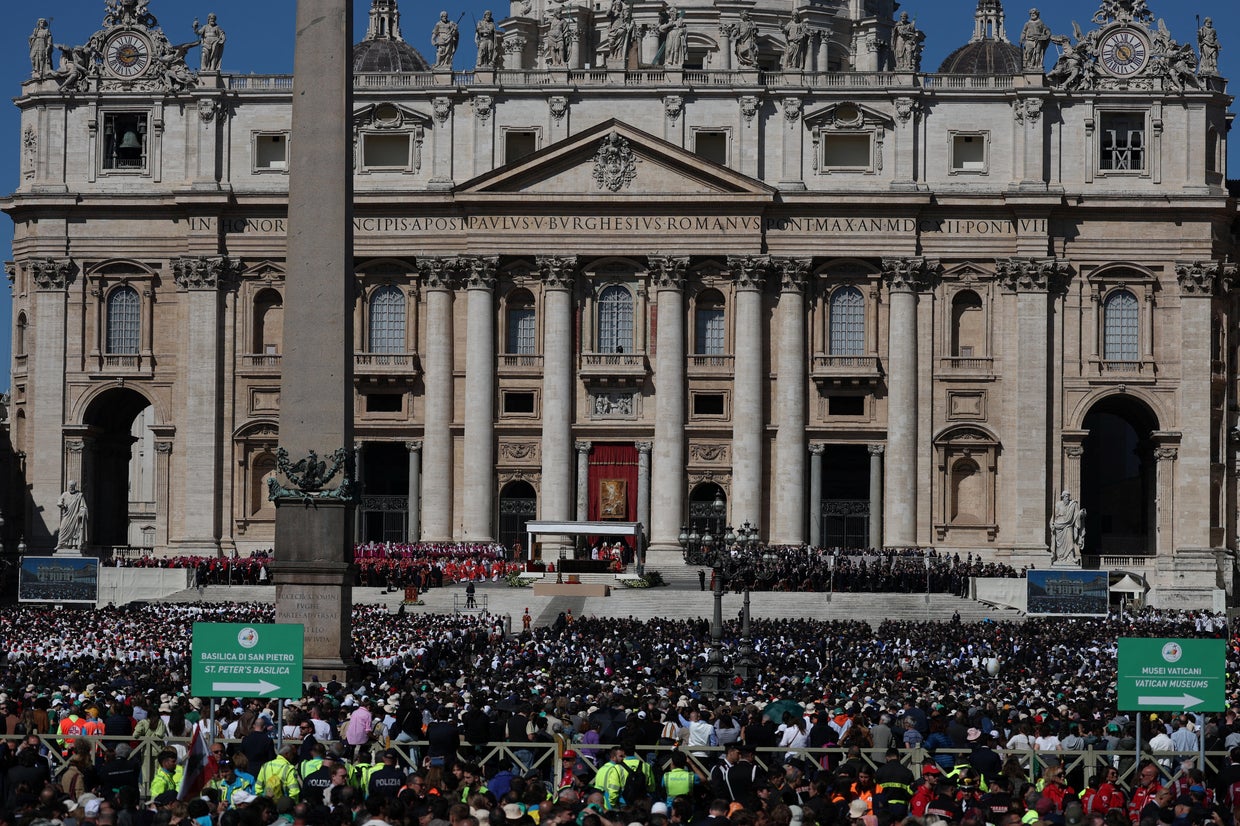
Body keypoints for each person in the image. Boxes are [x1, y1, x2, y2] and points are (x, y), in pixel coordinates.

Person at [1050, 490, 1084, 564]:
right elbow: (1054, 516)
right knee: (1059, 545)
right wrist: (1052, 524)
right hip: (1059, 525)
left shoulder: (1073, 504)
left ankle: (1071, 558)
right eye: (1065, 496)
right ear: (1062, 497)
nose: (1067, 498)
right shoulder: (1058, 504)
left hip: (1068, 525)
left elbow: (1077, 515)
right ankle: (1060, 558)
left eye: (1068, 496)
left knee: (1070, 541)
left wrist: (1081, 513)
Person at [56, 480, 88, 550]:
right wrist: (61, 504)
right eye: (69, 486)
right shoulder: (65, 494)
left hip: (75, 516)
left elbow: (83, 506)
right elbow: (59, 501)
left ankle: (73, 545)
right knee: (62, 528)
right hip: (67, 515)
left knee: (75, 530)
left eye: (72, 486)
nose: (70, 487)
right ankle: (61, 543)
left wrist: (82, 512)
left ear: (74, 486)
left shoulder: (79, 495)